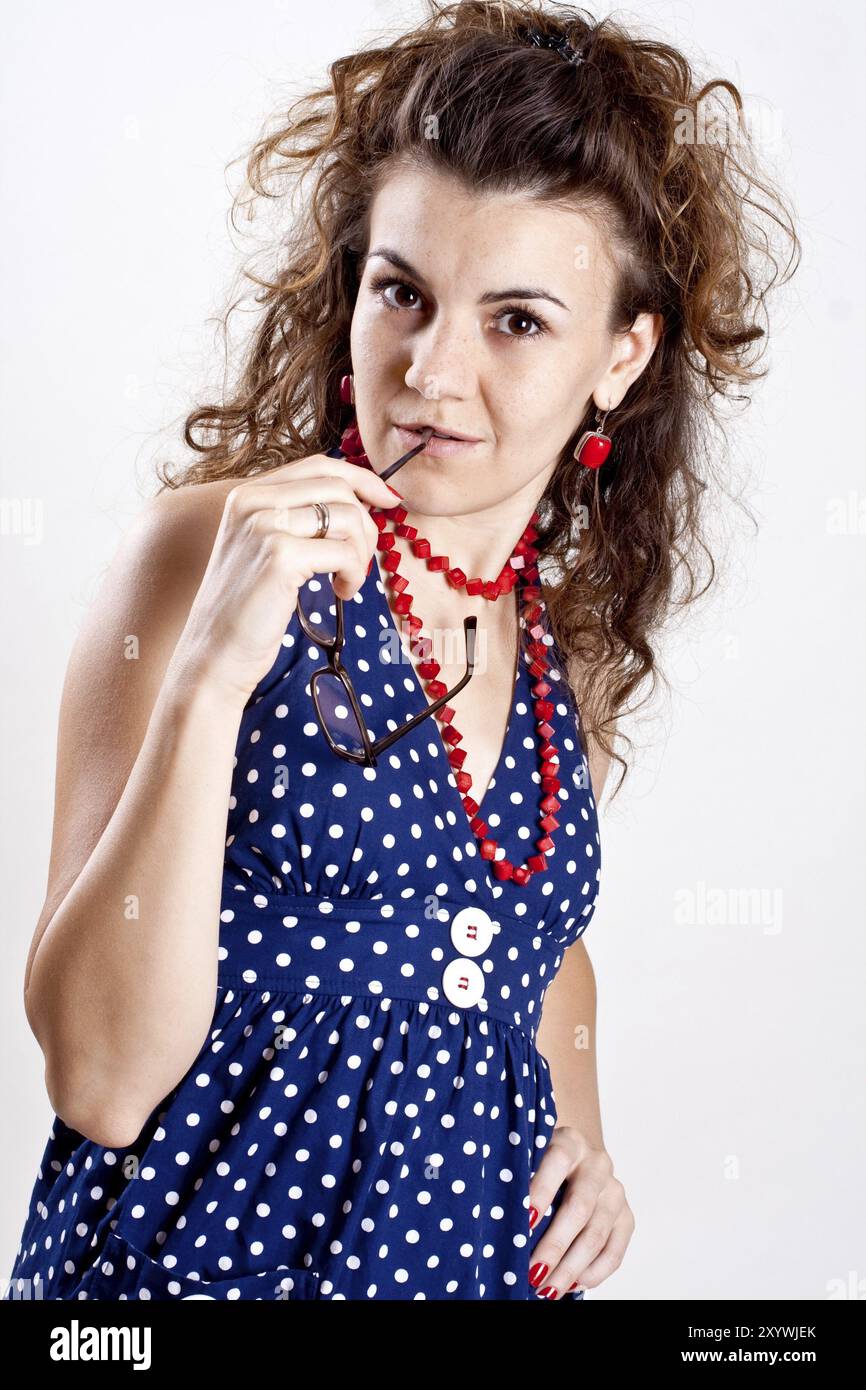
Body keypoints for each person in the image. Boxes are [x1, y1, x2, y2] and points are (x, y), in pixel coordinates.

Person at [5, 1, 798, 1301]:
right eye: (402, 293)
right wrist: (210, 672)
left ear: (622, 354)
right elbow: (96, 1079)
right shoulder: (203, 554)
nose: (431, 371)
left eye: (517, 320)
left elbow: (524, 925)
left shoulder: (560, 650)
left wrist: (581, 1131)